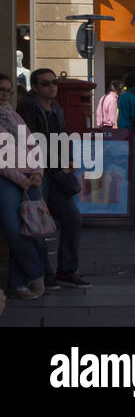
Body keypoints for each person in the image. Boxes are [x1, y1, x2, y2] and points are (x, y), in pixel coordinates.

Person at [20, 69, 91, 289]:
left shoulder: (57, 107)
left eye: (53, 83)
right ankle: (45, 274)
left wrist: (67, 159)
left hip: (56, 171)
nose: (51, 87)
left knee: (72, 219)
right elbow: (28, 141)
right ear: (34, 87)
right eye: (45, 84)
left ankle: (67, 271)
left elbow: (60, 136)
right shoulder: (28, 106)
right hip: (38, 172)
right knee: (39, 223)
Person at [0, 73, 47, 299]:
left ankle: (18, 283)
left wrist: (37, 173)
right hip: (7, 180)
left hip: (30, 178)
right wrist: (22, 179)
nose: (4, 95)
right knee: (13, 229)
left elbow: (33, 146)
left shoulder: (15, 117)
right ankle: (36, 273)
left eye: (8, 90)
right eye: (0, 90)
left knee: (29, 229)